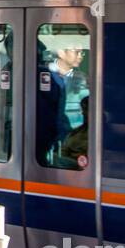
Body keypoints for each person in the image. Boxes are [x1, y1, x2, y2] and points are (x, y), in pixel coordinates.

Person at [34, 33, 87, 167]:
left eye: (82, 53)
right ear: (61, 52)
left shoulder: (82, 78)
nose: (80, 56)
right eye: (76, 52)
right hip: (49, 133)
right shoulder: (45, 73)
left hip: (72, 135)